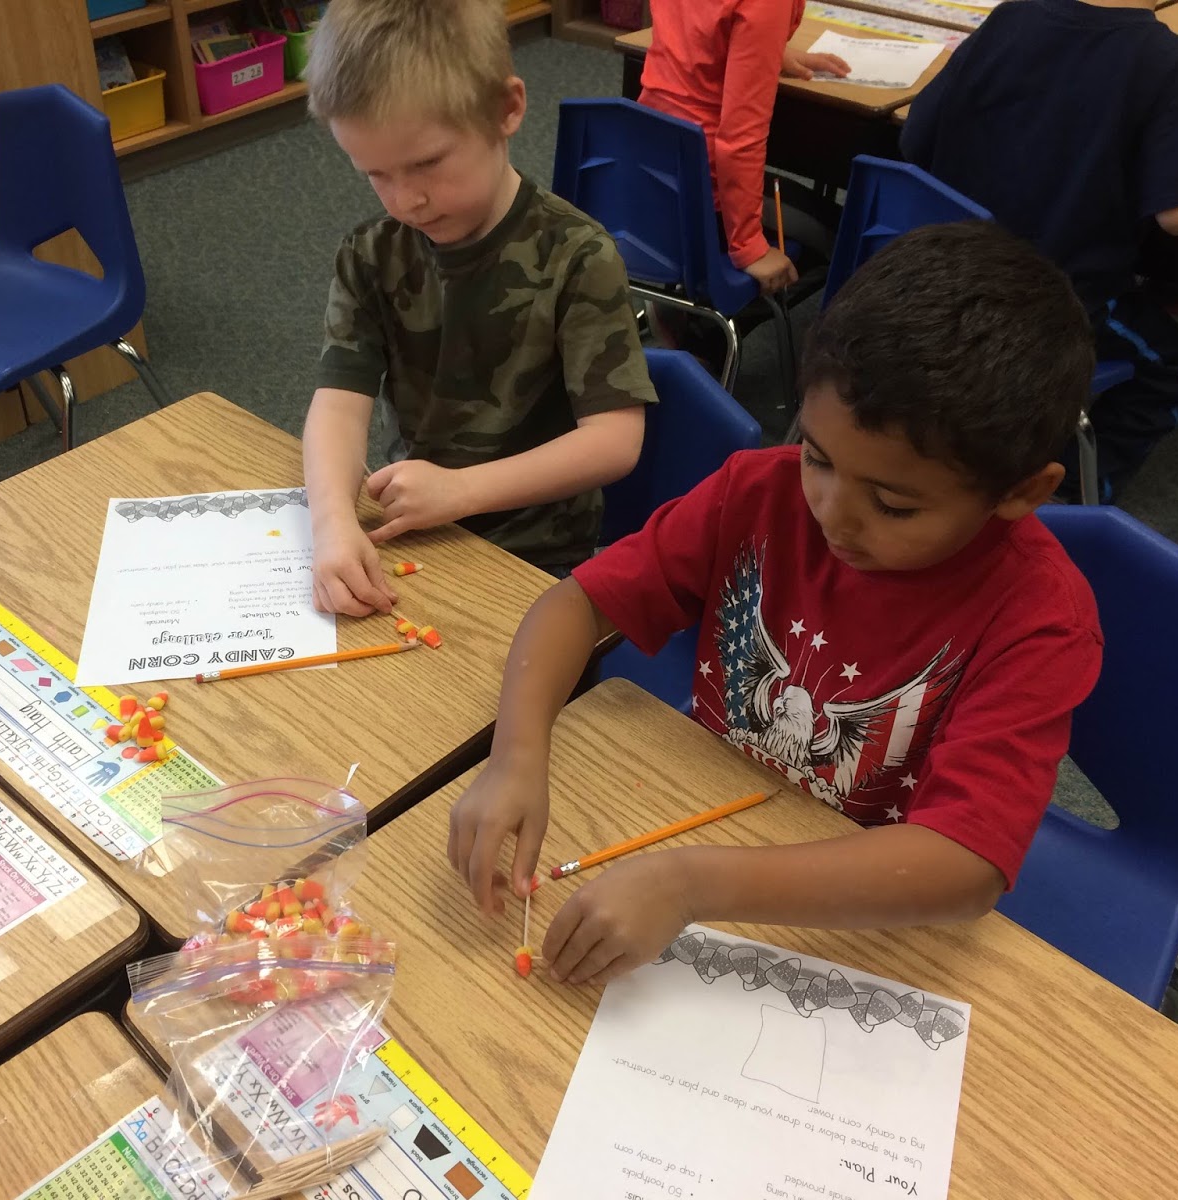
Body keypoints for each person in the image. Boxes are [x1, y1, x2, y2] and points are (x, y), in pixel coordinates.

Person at [447, 223, 1104, 985]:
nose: (832, 513)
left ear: (1023, 492)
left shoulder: (1040, 617)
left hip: (858, 896)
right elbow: (576, 606)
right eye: (818, 458)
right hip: (708, 802)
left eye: (893, 506)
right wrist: (516, 756)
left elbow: (964, 867)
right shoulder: (758, 491)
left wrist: (694, 884)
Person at [301, 0, 655, 615]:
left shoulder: (577, 255)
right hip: (420, 524)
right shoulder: (369, 253)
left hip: (539, 555)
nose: (407, 200)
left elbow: (615, 442)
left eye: (428, 163)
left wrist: (461, 490)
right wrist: (332, 520)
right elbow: (338, 403)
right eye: (374, 174)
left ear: (506, 109)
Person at [900, 0, 1178, 500]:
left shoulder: (1011, 16)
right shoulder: (1164, 59)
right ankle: (1065, 500)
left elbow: (916, 136)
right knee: (1177, 370)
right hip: (1054, 298)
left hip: (942, 273)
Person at [638, 0, 851, 292]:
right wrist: (749, 246)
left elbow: (695, 29)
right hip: (708, 196)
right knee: (852, 239)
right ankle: (705, 324)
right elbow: (739, 139)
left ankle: (683, 308)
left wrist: (763, 47)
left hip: (645, 167)